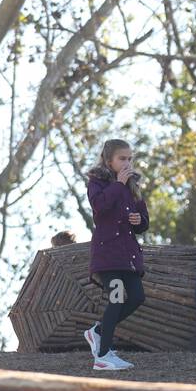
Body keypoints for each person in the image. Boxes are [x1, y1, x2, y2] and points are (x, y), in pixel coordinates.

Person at [84, 139, 149, 371]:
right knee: (117, 298)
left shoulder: (133, 185)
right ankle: (102, 356)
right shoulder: (97, 182)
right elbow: (99, 207)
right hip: (107, 253)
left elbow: (143, 221)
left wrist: (139, 221)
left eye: (130, 158)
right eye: (122, 158)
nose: (127, 162)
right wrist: (118, 185)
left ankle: (98, 332)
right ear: (108, 159)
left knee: (137, 297)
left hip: (128, 255)